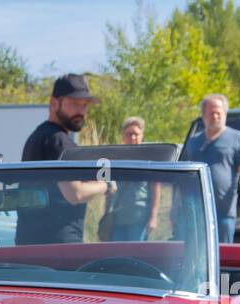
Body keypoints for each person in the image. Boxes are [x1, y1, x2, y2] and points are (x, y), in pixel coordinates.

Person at [15, 73, 116, 244]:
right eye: (75, 104)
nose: (81, 112)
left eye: (85, 105)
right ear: (54, 103)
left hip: (29, 243)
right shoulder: (59, 141)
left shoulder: (38, 136)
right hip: (60, 246)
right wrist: (106, 185)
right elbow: (75, 193)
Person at [179, 93, 240, 243]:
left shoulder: (237, 138)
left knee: (223, 255)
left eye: (218, 113)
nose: (215, 116)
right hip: (195, 211)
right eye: (211, 113)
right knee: (195, 253)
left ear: (225, 113)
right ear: (203, 115)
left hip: (223, 212)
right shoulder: (193, 142)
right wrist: (175, 207)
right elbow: (182, 175)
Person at [101, 116, 161, 241]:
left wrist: (153, 217)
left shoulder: (149, 160)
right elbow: (108, 189)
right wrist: (106, 214)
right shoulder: (114, 159)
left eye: (136, 134)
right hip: (118, 218)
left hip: (139, 219)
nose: (133, 138)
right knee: (117, 256)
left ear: (142, 135)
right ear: (123, 136)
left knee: (135, 255)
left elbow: (156, 189)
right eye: (129, 134)